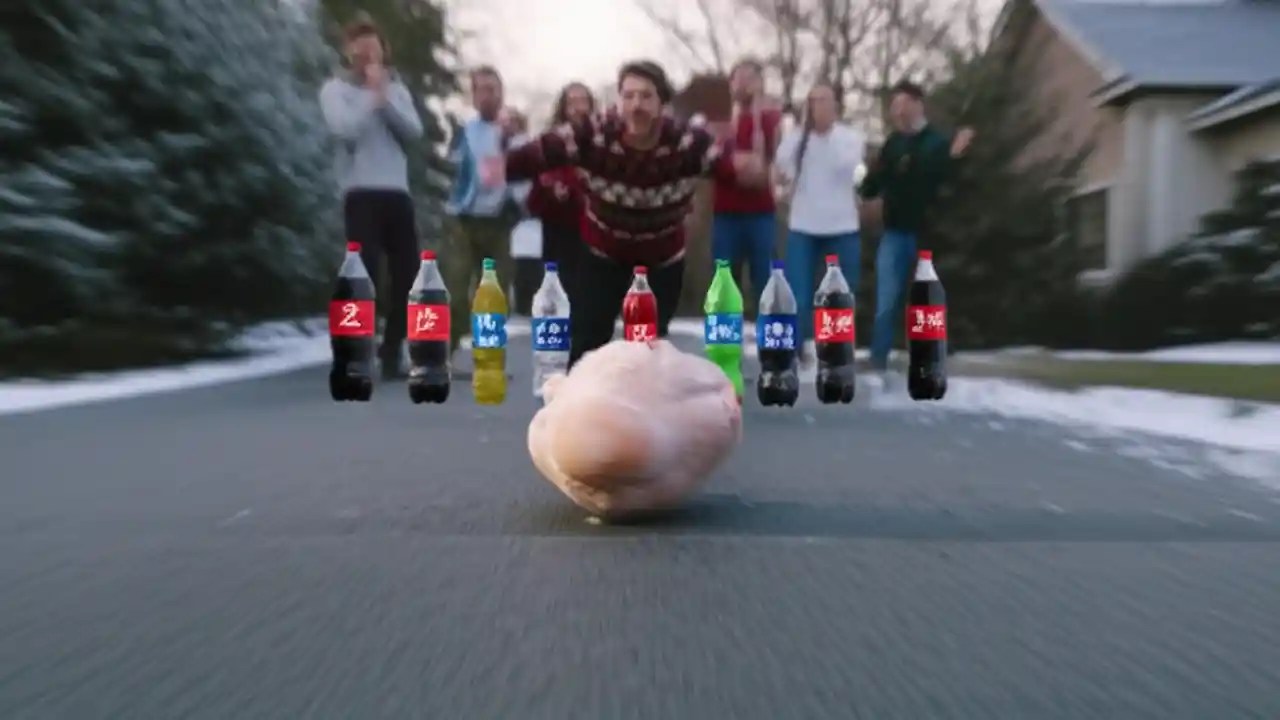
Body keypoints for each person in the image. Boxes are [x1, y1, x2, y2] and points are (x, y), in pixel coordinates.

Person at [502, 60, 769, 369]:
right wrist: (497, 165)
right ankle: (581, 412)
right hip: (604, 253)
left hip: (661, 258)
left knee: (647, 348)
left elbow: (729, 168)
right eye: (628, 97)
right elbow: (533, 155)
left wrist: (749, 169)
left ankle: (640, 412)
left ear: (663, 105)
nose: (635, 106)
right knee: (588, 342)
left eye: (645, 97)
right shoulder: (593, 135)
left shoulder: (687, 143)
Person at [318, 15, 424, 380]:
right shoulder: (335, 90)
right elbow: (344, 130)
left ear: (382, 52)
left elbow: (413, 131)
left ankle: (392, 349)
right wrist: (370, 100)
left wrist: (385, 98)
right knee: (364, 274)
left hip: (397, 192)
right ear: (349, 53)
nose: (366, 55)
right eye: (359, 48)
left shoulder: (396, 89)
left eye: (373, 48)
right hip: (360, 192)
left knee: (409, 274)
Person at [859, 79, 973, 377]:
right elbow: (874, 186)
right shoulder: (892, 144)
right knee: (886, 300)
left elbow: (944, 180)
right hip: (894, 233)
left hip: (927, 233)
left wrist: (955, 156)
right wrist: (866, 180)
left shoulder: (936, 143)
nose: (896, 111)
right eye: (893, 106)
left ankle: (928, 360)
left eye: (900, 105)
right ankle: (877, 362)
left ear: (916, 105)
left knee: (926, 299)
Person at [774, 82, 865, 368]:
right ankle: (797, 349)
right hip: (803, 226)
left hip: (841, 226)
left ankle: (835, 349)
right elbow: (780, 172)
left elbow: (848, 169)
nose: (819, 107)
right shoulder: (795, 140)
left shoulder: (850, 138)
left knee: (839, 294)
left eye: (825, 101)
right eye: (813, 102)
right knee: (798, 292)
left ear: (835, 105)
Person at [444, 65, 518, 356]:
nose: (487, 96)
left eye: (492, 89)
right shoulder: (464, 133)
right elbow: (449, 169)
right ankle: (445, 350)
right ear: (473, 97)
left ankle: (487, 351)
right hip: (463, 220)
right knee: (456, 284)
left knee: (495, 290)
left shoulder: (512, 134)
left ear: (501, 94)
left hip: (499, 221)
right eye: (481, 90)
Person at [710, 58, 783, 307]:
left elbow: (776, 159)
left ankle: (773, 341)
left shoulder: (771, 119)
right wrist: (735, 166)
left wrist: (756, 165)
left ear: (761, 83)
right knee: (723, 280)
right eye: (738, 78)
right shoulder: (719, 121)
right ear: (730, 84)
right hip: (726, 213)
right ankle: (722, 340)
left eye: (750, 78)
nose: (744, 84)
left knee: (765, 278)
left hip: (761, 213)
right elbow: (710, 162)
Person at [525, 82, 596, 305]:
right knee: (557, 281)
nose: (578, 108)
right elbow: (537, 184)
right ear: (563, 107)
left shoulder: (600, 139)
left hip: (591, 224)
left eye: (583, 101)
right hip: (557, 224)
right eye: (572, 102)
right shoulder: (549, 141)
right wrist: (551, 188)